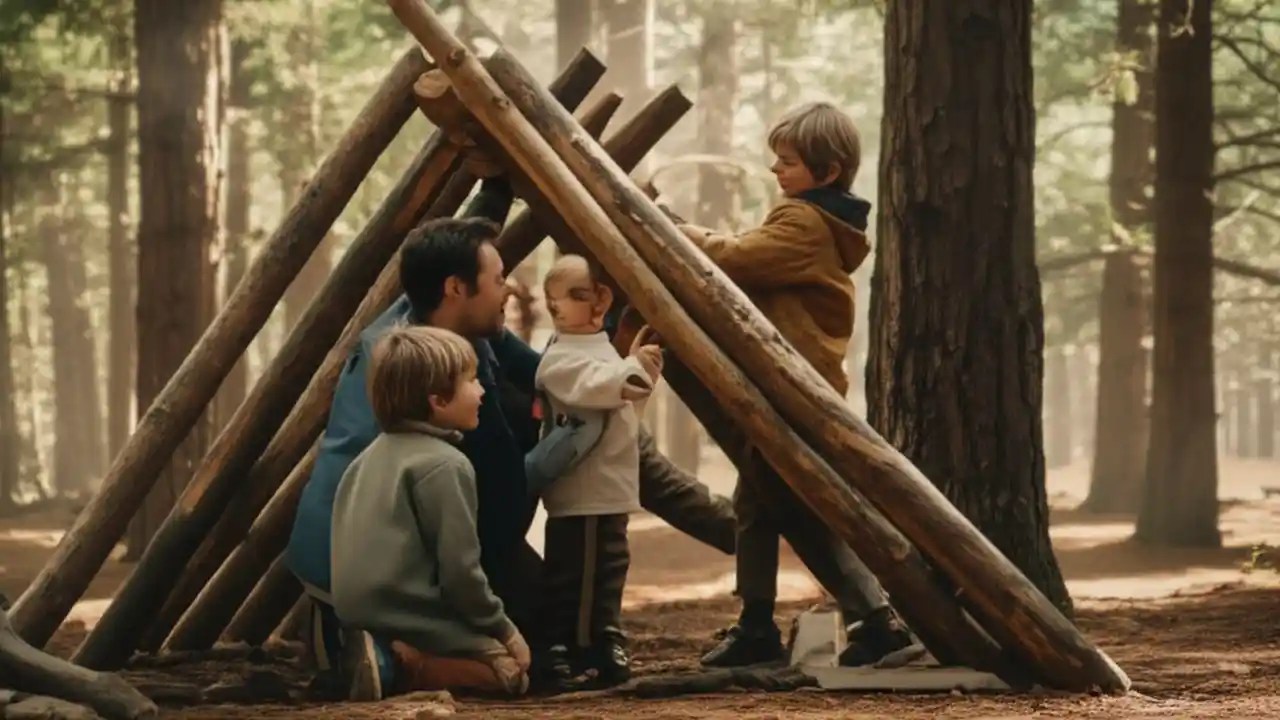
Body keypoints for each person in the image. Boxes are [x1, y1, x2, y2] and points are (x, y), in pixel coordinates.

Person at [286, 176, 736, 699]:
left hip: (420, 540)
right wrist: (571, 439)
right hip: (363, 564)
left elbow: (547, 374)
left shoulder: (446, 317)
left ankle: (737, 531)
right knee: (536, 651)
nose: (509, 290)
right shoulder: (422, 369)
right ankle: (391, 659)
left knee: (571, 431)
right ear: (457, 289)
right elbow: (499, 501)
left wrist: (497, 187)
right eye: (498, 278)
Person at [677, 101, 914, 668]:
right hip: (786, 383)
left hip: (791, 387)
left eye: (787, 161)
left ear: (828, 172)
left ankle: (876, 618)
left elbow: (737, 259)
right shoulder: (816, 220)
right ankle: (757, 621)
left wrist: (682, 231)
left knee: (796, 507)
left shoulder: (805, 223)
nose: (776, 171)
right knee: (756, 504)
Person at [331, 326, 530, 700]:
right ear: (438, 400)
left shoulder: (366, 458)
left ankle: (375, 652)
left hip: (357, 610)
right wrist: (504, 630)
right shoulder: (445, 465)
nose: (482, 390)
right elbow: (461, 575)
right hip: (408, 612)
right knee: (514, 675)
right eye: (471, 381)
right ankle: (402, 668)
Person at [532, 255, 661, 688]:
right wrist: (635, 368)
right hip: (582, 488)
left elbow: (626, 390)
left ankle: (604, 637)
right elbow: (603, 387)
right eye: (553, 299)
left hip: (609, 484)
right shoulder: (559, 359)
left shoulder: (600, 349)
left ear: (601, 300)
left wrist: (640, 369)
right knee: (577, 573)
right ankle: (571, 648)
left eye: (571, 296)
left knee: (608, 566)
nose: (557, 307)